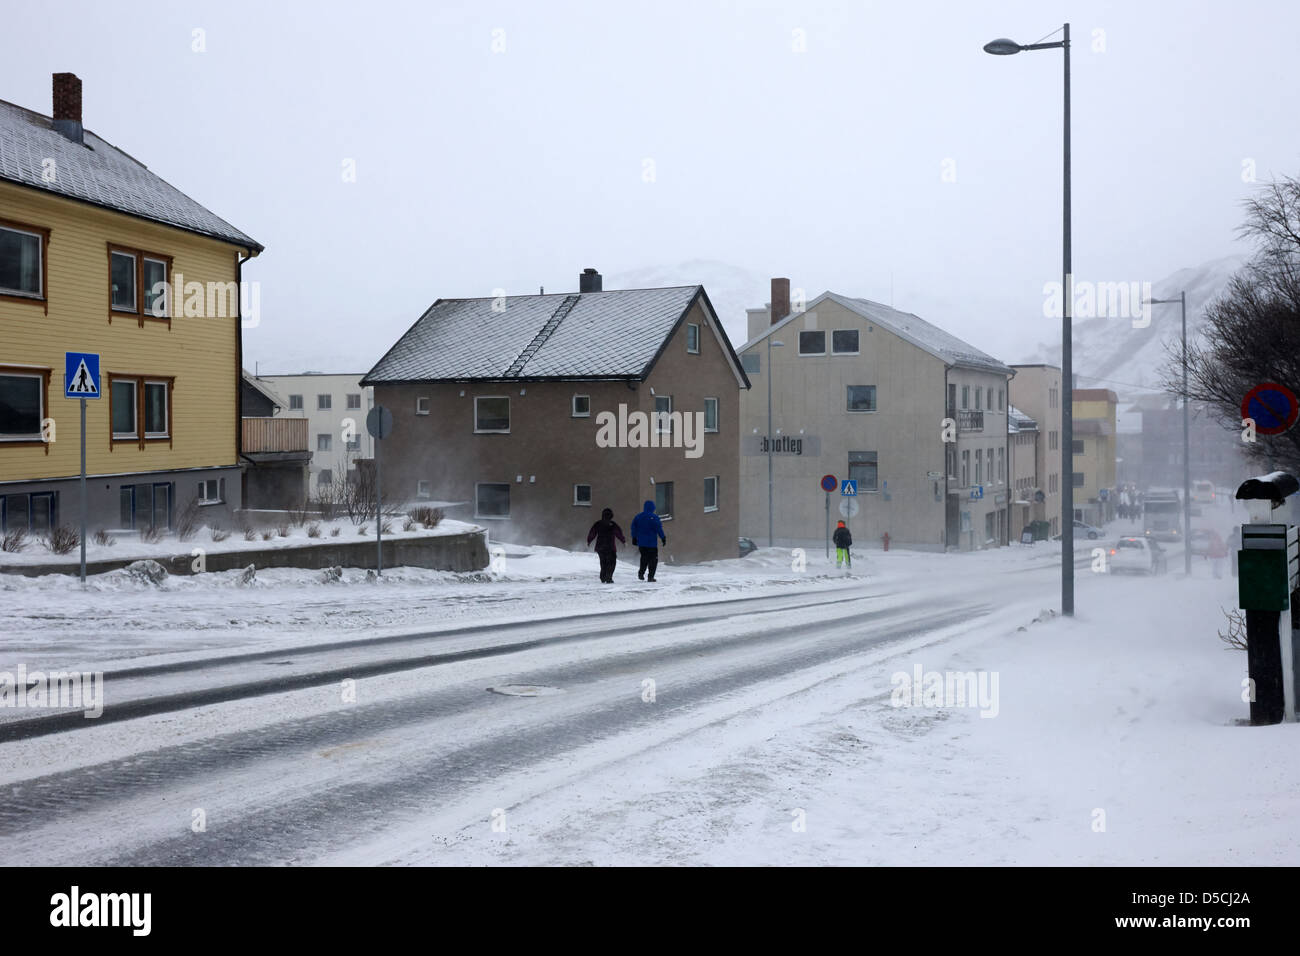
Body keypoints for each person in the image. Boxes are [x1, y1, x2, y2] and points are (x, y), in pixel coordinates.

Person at [629, 500, 666, 582]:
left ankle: (641, 573)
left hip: (642, 543)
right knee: (653, 560)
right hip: (652, 544)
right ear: (653, 508)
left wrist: (634, 537)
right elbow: (659, 529)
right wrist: (663, 538)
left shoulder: (638, 517)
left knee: (644, 558)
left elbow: (633, 528)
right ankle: (650, 577)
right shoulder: (654, 517)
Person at [586, 507, 625, 583]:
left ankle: (603, 577)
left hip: (600, 547)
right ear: (611, 515)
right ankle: (608, 577)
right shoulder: (613, 524)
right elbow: (618, 533)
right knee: (611, 563)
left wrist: (589, 541)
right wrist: (623, 541)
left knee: (603, 562)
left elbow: (592, 533)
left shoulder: (598, 524)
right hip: (610, 547)